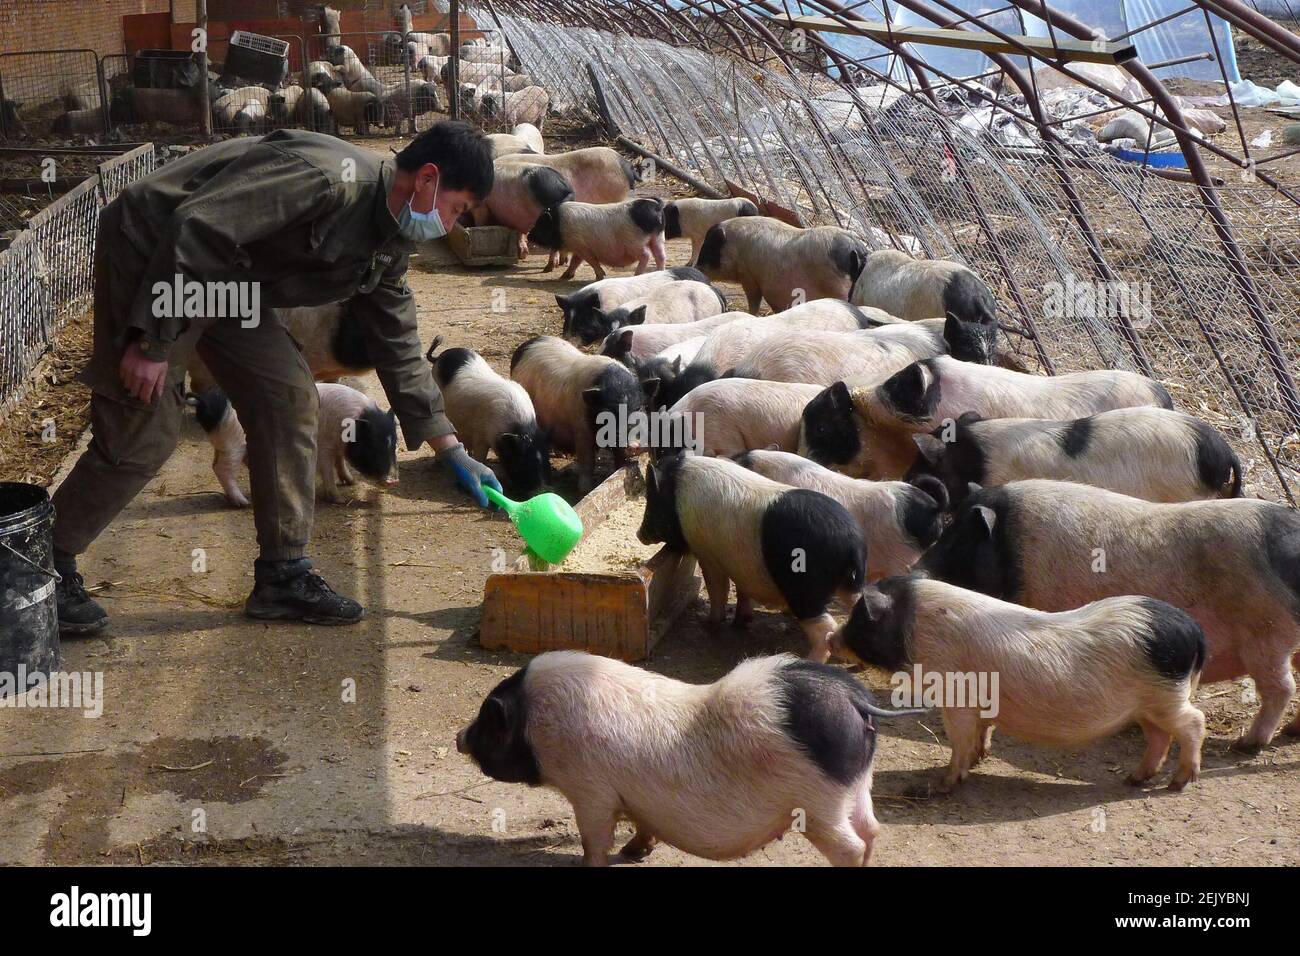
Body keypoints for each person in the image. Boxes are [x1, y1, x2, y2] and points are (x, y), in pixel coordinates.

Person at [52, 121, 502, 635]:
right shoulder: (329, 179)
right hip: (158, 253)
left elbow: (396, 338)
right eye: (458, 208)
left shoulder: (391, 232)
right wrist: (152, 342)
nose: (450, 225)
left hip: (228, 281)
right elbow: (199, 226)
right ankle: (41, 561)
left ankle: (283, 575)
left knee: (289, 399)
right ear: (427, 178)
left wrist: (451, 449)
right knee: (144, 426)